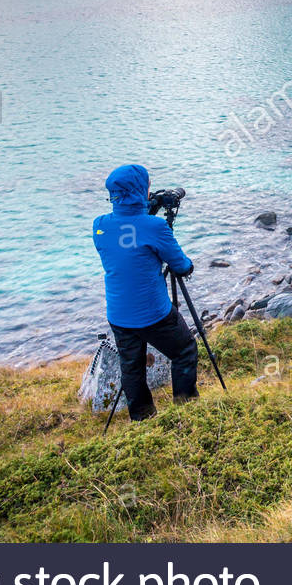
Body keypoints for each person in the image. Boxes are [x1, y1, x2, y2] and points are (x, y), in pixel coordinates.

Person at [92, 163, 198, 421]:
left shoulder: (99, 226)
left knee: (132, 367)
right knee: (184, 351)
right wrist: (155, 215)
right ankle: (187, 411)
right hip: (153, 314)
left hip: (118, 315)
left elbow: (128, 237)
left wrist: (146, 207)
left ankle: (143, 419)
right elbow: (181, 267)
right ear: (141, 190)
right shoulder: (155, 228)